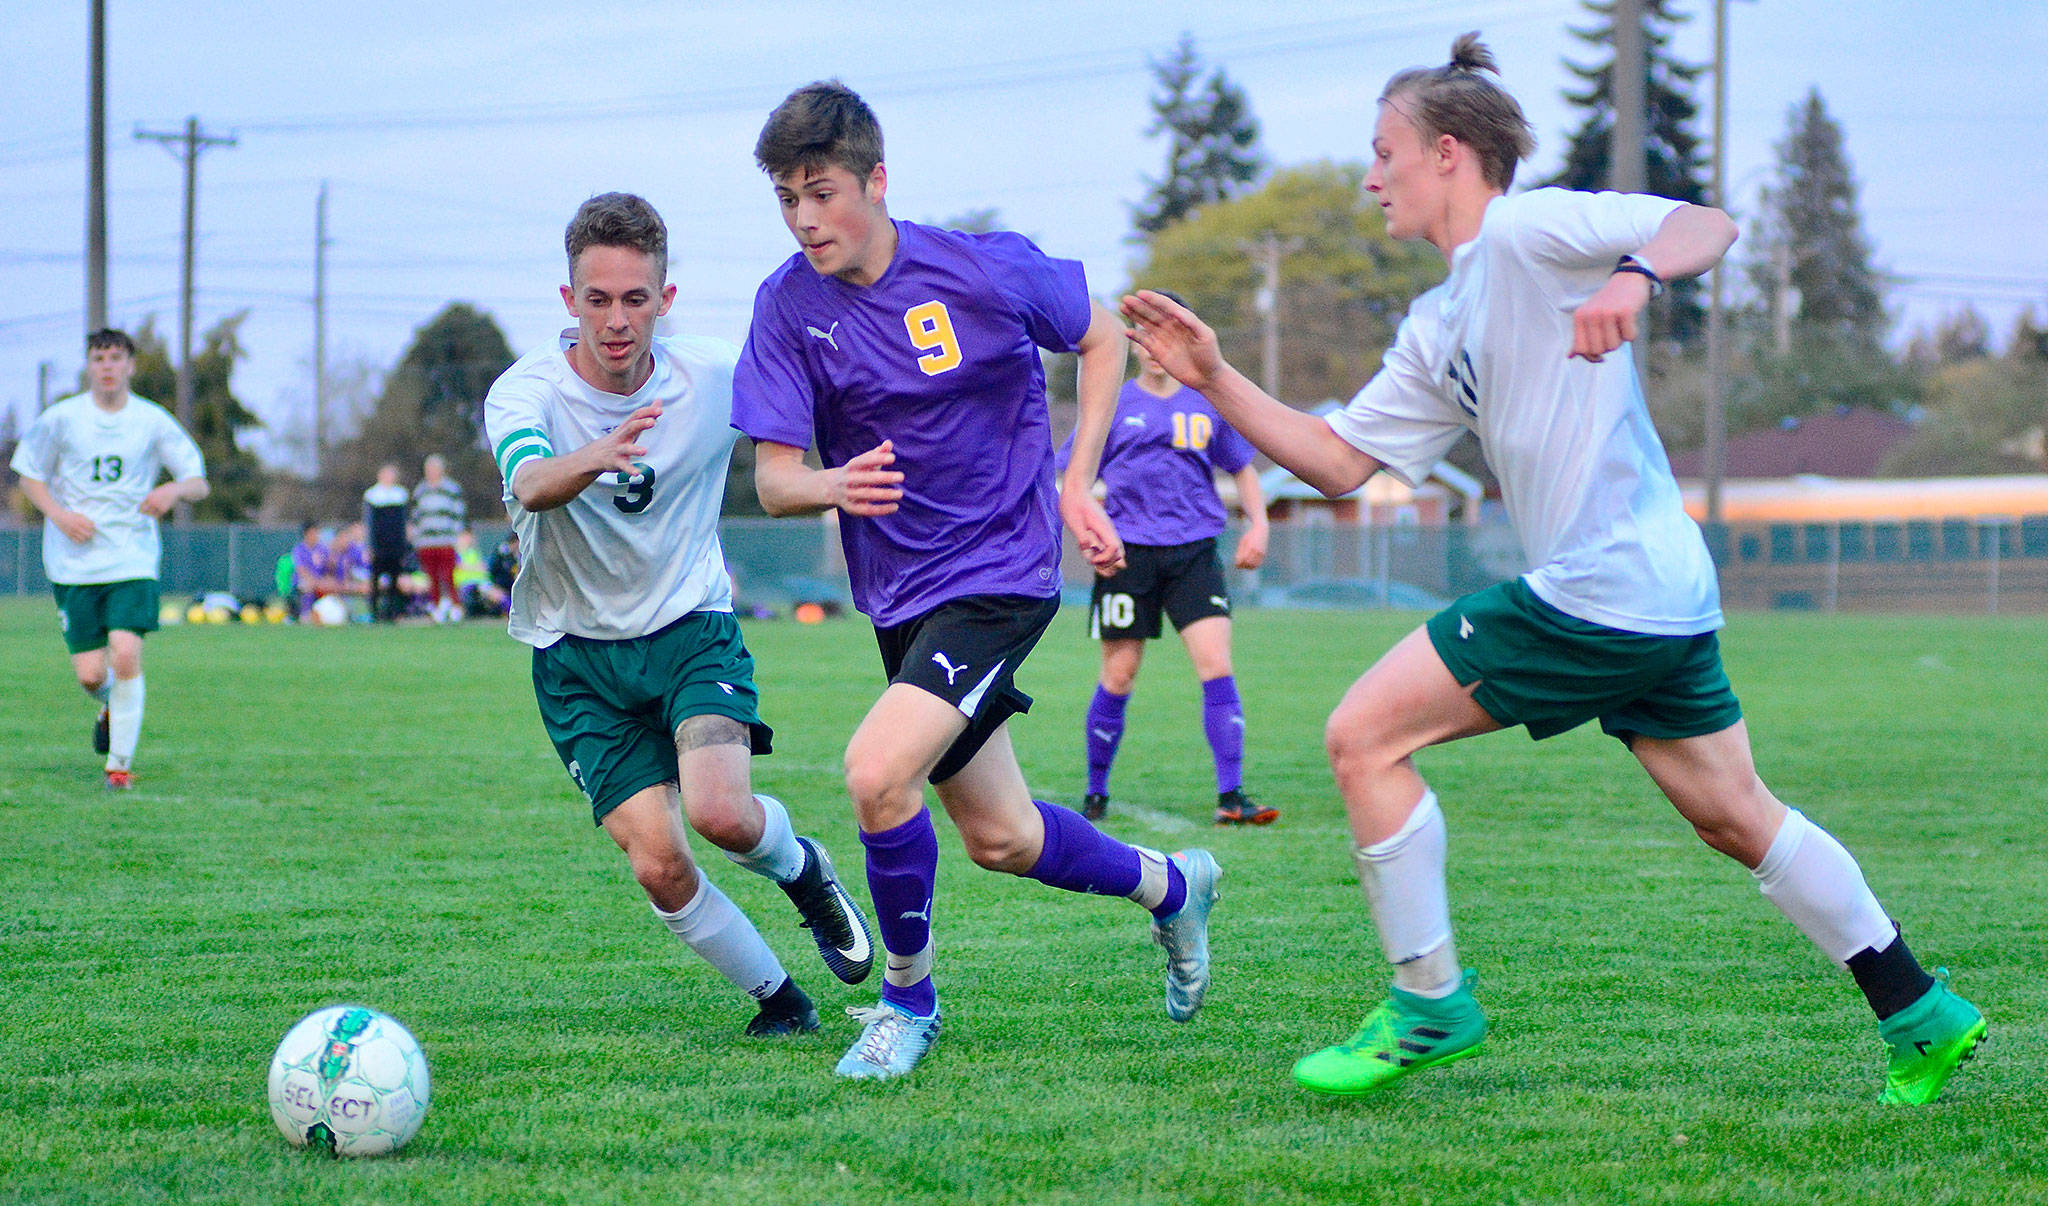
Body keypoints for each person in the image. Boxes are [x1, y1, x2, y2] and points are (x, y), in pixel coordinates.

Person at [1121, 33, 1985, 1107]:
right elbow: (1336, 461)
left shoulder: (1527, 231)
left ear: (1446, 153)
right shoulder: (1437, 322)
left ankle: (1428, 1001)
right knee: (1733, 813)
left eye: (1383, 151)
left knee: (1362, 737)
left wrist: (1634, 276)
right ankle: (1917, 1009)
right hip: (1660, 594)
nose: (1370, 177)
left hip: (1602, 587)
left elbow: (1705, 224)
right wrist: (1212, 374)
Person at [732, 81, 1220, 1081]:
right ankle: (1172, 887)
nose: (804, 219)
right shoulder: (786, 305)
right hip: (899, 593)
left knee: (876, 774)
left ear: (875, 180)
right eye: (786, 199)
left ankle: (906, 1004)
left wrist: (1075, 481)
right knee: (1000, 836)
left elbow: (1100, 335)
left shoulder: (980, 268)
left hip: (1001, 571)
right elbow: (775, 480)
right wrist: (832, 484)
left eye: (821, 193)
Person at [483, 191, 876, 1038]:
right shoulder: (525, 395)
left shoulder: (714, 375)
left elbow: (816, 395)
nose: (616, 320)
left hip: (692, 632)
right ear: (568, 300)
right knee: (659, 867)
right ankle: (781, 1001)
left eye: (635, 298)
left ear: (665, 298)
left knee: (721, 814)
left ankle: (804, 872)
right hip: (578, 661)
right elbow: (530, 482)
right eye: (597, 299)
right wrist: (596, 454)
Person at [1057, 294, 1276, 827]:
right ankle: (1096, 793)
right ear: (1133, 342)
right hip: (1126, 558)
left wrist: (1259, 524)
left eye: (1166, 336)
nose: (1155, 347)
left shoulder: (1206, 402)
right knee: (1119, 675)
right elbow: (1072, 478)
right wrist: (1088, 535)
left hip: (1194, 553)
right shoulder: (1111, 406)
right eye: (1146, 335)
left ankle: (1231, 796)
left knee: (1216, 666)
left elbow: (1242, 467)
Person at [9, 327, 208, 789]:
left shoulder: (152, 420)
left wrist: (173, 490)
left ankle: (118, 765)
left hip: (132, 557)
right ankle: (111, 705)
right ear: (89, 366)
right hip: (73, 562)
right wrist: (60, 516)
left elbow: (198, 481)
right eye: (99, 358)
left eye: (116, 358)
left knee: (126, 651)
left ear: (130, 366)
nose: (107, 367)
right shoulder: (62, 418)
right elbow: (28, 475)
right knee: (90, 675)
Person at [411, 453, 466, 622]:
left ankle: (455, 606)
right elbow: (416, 516)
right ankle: (435, 607)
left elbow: (458, 513)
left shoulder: (451, 489)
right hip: (426, 542)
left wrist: (456, 535)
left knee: (448, 575)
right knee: (432, 576)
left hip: (445, 540)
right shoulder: (421, 490)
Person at [363, 464, 410, 622]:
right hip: (379, 545)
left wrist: (403, 547)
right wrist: (370, 546)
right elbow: (370, 523)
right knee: (375, 580)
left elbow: (402, 524)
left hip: (395, 545)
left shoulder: (400, 495)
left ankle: (391, 612)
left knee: (394, 580)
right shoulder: (372, 496)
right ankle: (375, 612)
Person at [287, 520, 337, 620]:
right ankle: (306, 614)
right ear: (306, 534)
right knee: (307, 586)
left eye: (316, 532)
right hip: (304, 581)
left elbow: (328, 569)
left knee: (334, 585)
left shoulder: (322, 548)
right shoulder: (299, 549)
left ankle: (333, 615)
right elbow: (301, 570)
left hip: (320, 580)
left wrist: (331, 564)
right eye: (312, 533)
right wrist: (315, 581)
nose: (315, 535)